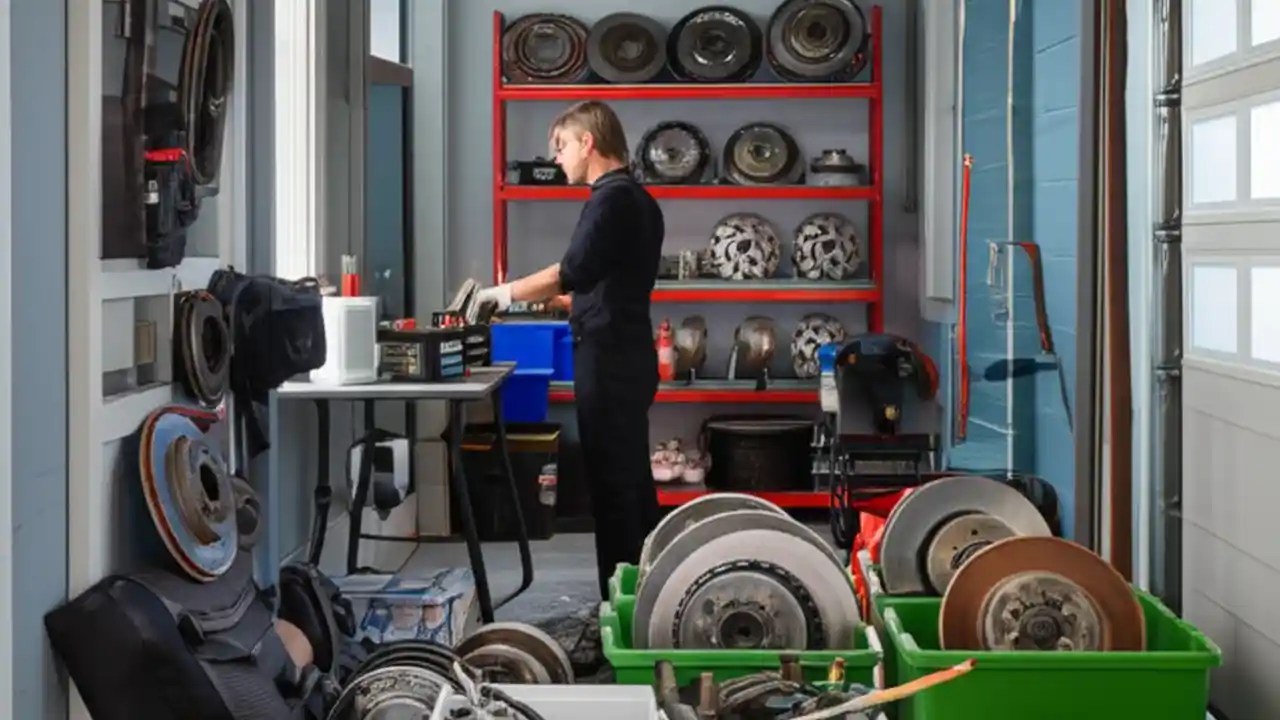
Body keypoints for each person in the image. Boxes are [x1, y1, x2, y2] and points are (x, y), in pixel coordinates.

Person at [476, 100, 665, 598]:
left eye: (561, 146)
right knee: (632, 484)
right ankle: (642, 598)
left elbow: (572, 269)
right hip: (627, 355)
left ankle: (621, 607)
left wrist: (505, 293)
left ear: (588, 143)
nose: (556, 158)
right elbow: (606, 280)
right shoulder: (638, 199)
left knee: (614, 490)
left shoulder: (611, 200)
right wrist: (570, 301)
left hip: (610, 360)